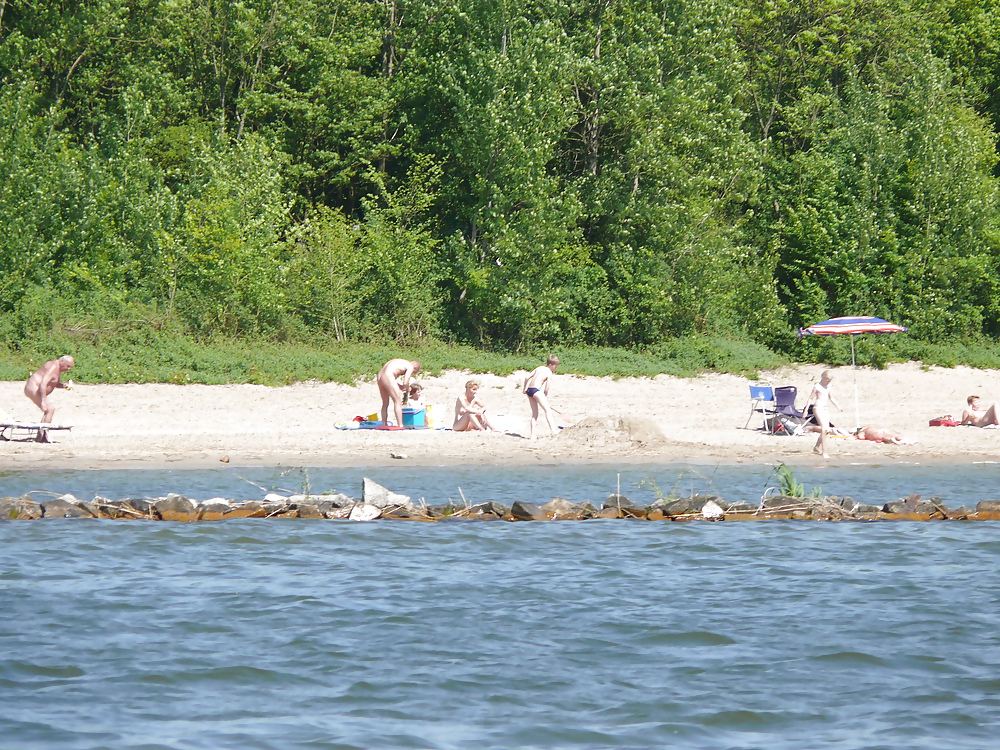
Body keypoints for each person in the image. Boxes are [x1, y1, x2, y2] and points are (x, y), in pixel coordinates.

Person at [24, 355, 74, 435]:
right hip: (33, 388)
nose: (68, 369)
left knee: (49, 410)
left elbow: (54, 383)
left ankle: (41, 434)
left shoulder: (57, 368)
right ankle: (44, 435)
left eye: (70, 367)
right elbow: (43, 383)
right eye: (68, 366)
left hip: (35, 389)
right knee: (50, 409)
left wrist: (64, 386)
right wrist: (43, 401)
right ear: (62, 361)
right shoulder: (53, 367)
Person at [804, 370, 842, 459]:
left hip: (825, 408)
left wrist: (838, 406)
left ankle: (816, 447)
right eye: (827, 380)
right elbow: (810, 398)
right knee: (824, 429)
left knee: (827, 430)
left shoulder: (829, 386)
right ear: (823, 378)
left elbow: (831, 397)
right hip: (818, 408)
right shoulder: (817, 386)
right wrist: (806, 410)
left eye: (830, 380)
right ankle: (824, 452)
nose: (828, 382)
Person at [522, 354, 560, 439]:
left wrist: (524, 389)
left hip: (529, 390)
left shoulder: (539, 368)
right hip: (537, 390)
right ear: (550, 364)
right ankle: (553, 431)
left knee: (534, 414)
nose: (556, 368)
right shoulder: (549, 372)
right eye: (555, 366)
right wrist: (545, 396)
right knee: (547, 410)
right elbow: (547, 388)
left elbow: (527, 378)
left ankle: (532, 435)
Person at [377, 358, 421, 427]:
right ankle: (400, 425)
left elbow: (388, 380)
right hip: (388, 375)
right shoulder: (410, 366)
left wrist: (400, 386)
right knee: (397, 401)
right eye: (413, 372)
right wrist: (407, 389)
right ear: (415, 368)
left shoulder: (400, 362)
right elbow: (406, 381)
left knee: (385, 403)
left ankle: (384, 424)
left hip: (380, 376)